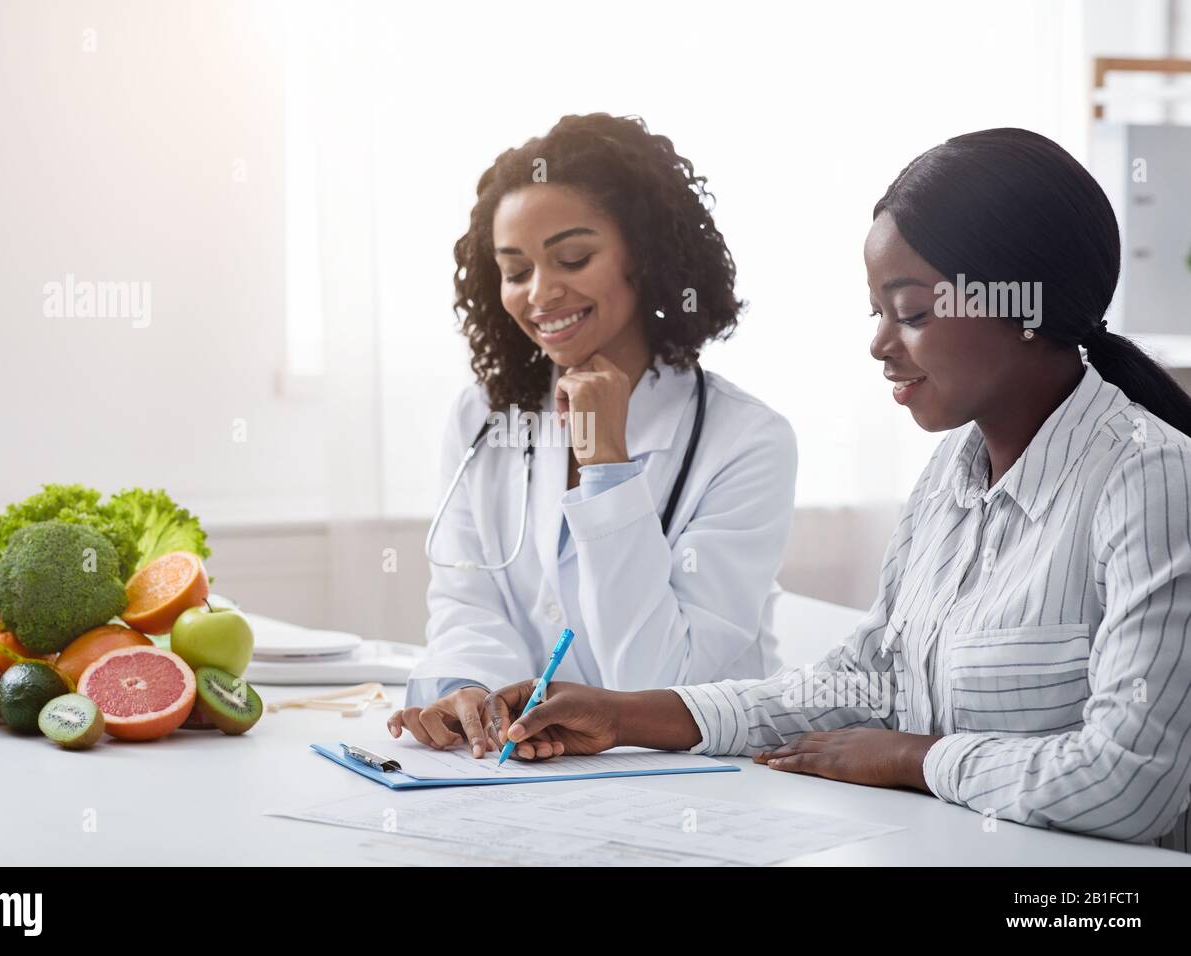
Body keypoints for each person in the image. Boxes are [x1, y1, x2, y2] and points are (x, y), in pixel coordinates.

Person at [457, 128, 1191, 850]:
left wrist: (912, 758)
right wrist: (625, 717)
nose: (879, 343)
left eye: (912, 313)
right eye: (877, 313)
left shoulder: (1150, 479)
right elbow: (863, 684)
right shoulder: (950, 478)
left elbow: (1131, 778)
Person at [395, 114, 798, 757]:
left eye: (573, 259)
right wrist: (474, 694)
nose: (541, 293)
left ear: (644, 255)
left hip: (698, 787)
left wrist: (607, 464)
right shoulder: (482, 419)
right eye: (515, 270)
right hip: (525, 774)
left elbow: (661, 685)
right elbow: (468, 602)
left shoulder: (746, 440)